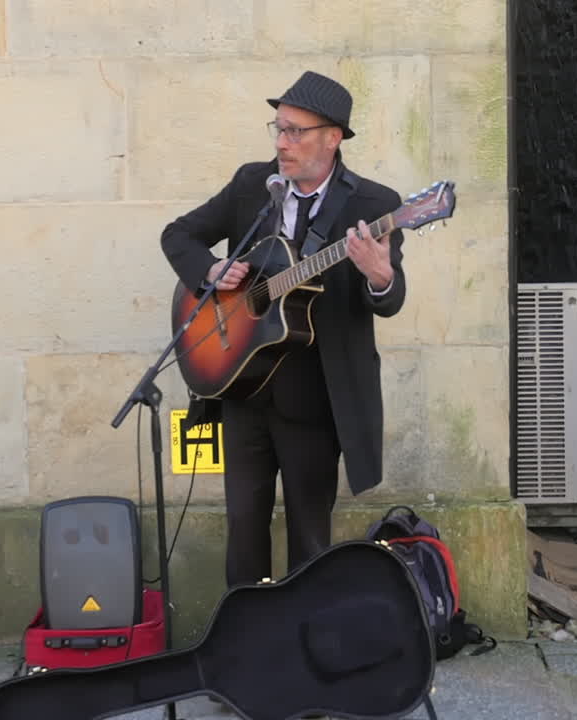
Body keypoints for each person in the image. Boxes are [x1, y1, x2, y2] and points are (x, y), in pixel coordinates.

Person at [160, 71, 408, 589]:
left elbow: (389, 299)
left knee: (310, 539)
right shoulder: (254, 184)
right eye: (279, 128)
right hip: (242, 391)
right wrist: (209, 271)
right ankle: (242, 645)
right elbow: (179, 234)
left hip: (315, 400)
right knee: (243, 528)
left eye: (295, 131)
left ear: (332, 136)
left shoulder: (373, 205)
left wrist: (379, 276)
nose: (281, 142)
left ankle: (303, 647)